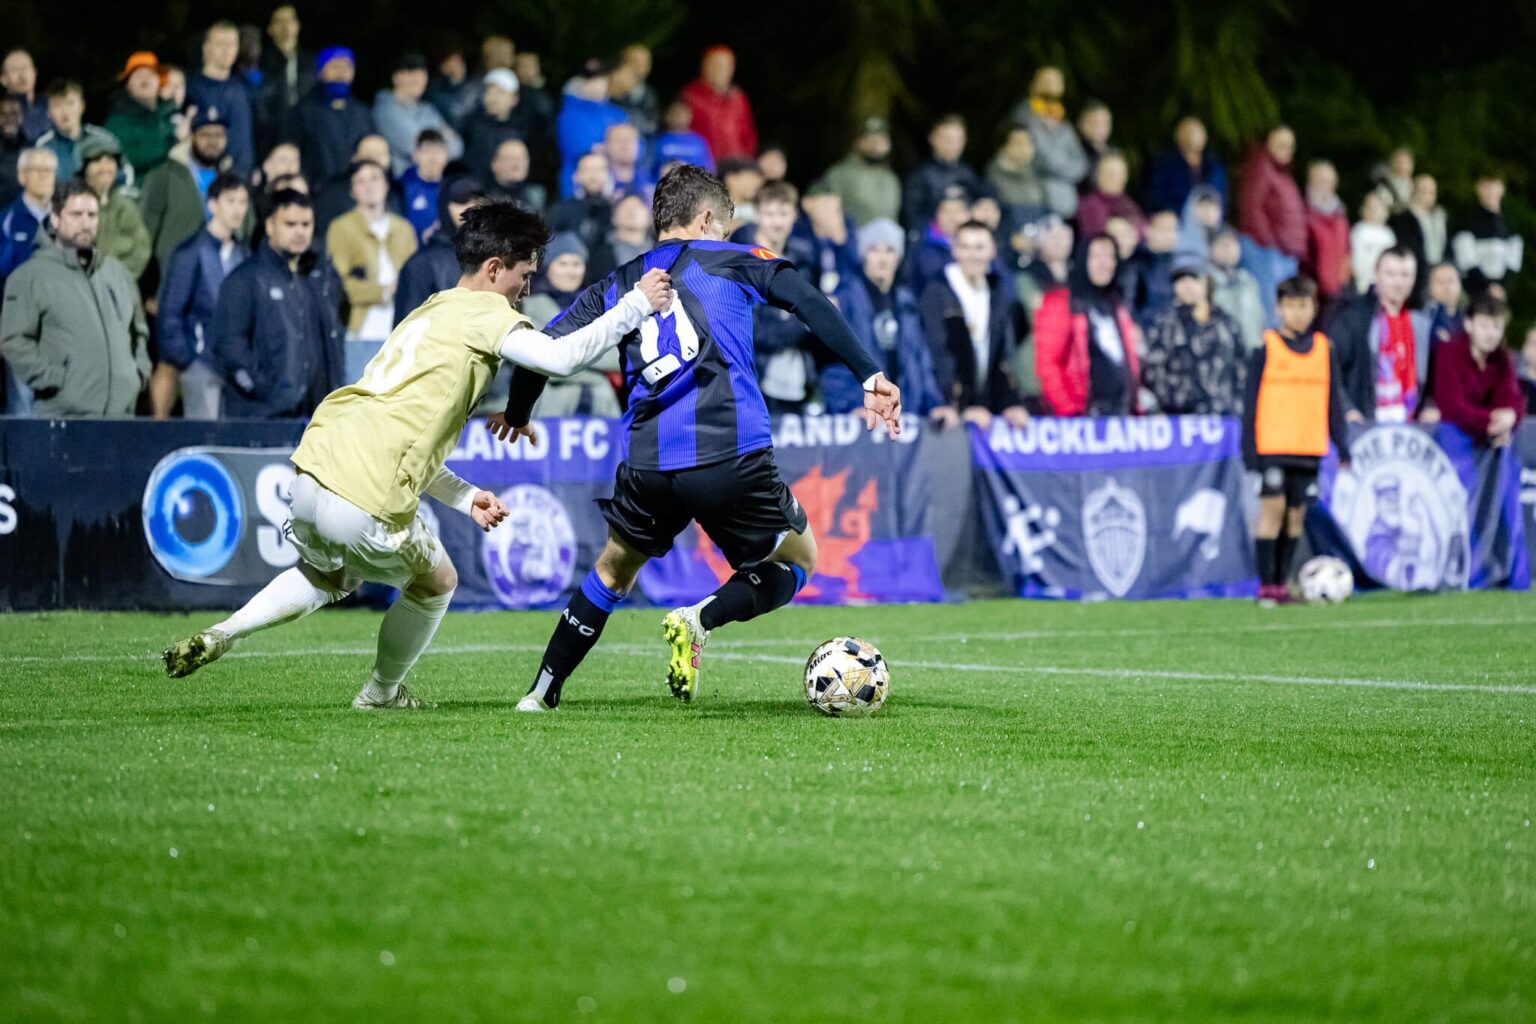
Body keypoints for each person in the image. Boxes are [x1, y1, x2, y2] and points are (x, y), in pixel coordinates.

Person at [163, 198, 677, 710]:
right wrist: (634, 304)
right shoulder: (485, 312)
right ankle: (381, 693)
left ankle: (224, 632)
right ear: (495, 269)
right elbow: (560, 358)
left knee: (327, 575)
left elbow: (403, 435)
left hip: (313, 471)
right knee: (438, 582)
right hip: (364, 493)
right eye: (524, 275)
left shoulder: (430, 309)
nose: (527, 289)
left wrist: (468, 495)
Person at [490, 164, 902, 712]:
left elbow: (540, 351)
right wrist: (869, 375)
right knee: (801, 558)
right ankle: (700, 618)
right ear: (707, 220)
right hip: (728, 454)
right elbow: (806, 301)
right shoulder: (731, 261)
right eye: (726, 227)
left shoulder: (619, 283)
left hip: (648, 467)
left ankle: (540, 694)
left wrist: (518, 412)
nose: (728, 236)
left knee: (613, 569)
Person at [1242, 274, 1350, 604]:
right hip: (1273, 445)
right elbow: (1250, 402)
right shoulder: (1266, 347)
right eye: (1290, 306)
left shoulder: (1322, 349)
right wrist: (1250, 449)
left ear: (1314, 308)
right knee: (1271, 511)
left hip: (1308, 447)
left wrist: (1341, 444)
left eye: (1303, 306)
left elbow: (1334, 401)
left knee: (1295, 516)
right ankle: (1267, 586)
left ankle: (1283, 581)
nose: (1297, 313)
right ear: (1278, 309)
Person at [0, 181, 150, 417]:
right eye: (76, 214)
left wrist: (137, 374)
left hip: (122, 417)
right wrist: (55, 380)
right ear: (56, 219)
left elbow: (138, 331)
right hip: (63, 417)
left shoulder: (116, 272)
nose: (86, 223)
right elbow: (13, 340)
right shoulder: (29, 276)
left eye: (92, 215)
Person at [210, 189, 344, 417]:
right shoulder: (245, 278)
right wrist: (264, 388)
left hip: (312, 415)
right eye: (290, 224)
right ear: (270, 225)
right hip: (262, 415)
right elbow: (229, 345)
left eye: (306, 224)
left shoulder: (317, 278)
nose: (300, 232)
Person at [820, 218, 941, 416]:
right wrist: (848, 408)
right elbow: (835, 363)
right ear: (864, 254)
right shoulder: (845, 300)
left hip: (905, 416)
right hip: (862, 416)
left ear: (898, 257)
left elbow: (921, 361)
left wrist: (933, 404)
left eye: (889, 250)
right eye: (874, 249)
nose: (882, 258)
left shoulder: (907, 302)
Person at [156, 173, 251, 419]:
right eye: (231, 201)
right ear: (212, 205)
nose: (238, 209)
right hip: (203, 365)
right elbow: (171, 311)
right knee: (204, 440)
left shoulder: (243, 253)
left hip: (234, 368)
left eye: (242, 202)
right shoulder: (190, 252)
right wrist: (188, 360)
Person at [919, 220, 1027, 430]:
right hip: (946, 414)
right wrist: (954, 405)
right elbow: (935, 355)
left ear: (992, 251)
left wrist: (1010, 403)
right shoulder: (936, 292)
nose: (973, 255)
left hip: (986, 413)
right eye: (965, 247)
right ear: (954, 250)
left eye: (979, 247)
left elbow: (1002, 357)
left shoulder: (998, 295)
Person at [1035, 232, 1141, 416]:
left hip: (1121, 415)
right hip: (1082, 418)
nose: (1104, 263)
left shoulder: (1117, 307)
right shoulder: (1061, 303)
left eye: (1110, 256)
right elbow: (1047, 364)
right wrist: (1069, 411)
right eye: (1096, 256)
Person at [1325, 245, 1430, 422]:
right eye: (1390, 274)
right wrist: (1346, 409)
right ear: (1376, 275)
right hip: (1365, 426)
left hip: (1408, 428)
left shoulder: (1421, 324)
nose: (1398, 283)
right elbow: (1329, 367)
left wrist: (1429, 406)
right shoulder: (1352, 317)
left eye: (1405, 275)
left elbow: (1432, 382)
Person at [522, 232, 622, 417]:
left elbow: (616, 357)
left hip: (601, 401)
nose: (570, 271)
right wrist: (595, 367)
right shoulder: (528, 306)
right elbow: (545, 361)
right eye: (563, 264)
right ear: (548, 267)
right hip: (549, 404)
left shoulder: (598, 304)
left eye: (576, 264)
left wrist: (568, 357)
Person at [1141, 260, 1248, 415]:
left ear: (1206, 282)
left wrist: (1239, 407)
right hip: (1177, 418)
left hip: (1222, 417)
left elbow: (1241, 367)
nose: (1188, 285)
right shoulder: (1163, 325)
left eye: (1194, 278)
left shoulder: (1226, 323)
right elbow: (1152, 371)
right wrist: (1161, 407)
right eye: (1180, 280)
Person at [327, 160, 418, 340]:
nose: (369, 186)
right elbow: (338, 284)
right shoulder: (341, 228)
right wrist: (383, 291)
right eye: (361, 181)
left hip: (402, 329)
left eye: (375, 179)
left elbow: (415, 279)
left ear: (386, 185)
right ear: (352, 190)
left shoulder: (403, 229)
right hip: (360, 330)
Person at [141, 107, 236, 275]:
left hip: (222, 273)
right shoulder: (165, 175)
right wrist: (149, 281)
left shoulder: (233, 179)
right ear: (192, 137)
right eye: (205, 135)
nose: (213, 141)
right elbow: (146, 230)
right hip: (173, 273)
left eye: (219, 135)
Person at [1432, 291, 1523, 445]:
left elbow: (1511, 397)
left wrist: (1512, 416)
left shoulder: (1502, 358)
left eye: (1497, 327)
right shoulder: (1449, 353)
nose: (1491, 334)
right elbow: (1452, 408)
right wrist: (1494, 420)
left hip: (1484, 445)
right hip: (1448, 444)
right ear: (1469, 324)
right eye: (1484, 326)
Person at [1238, 125, 1306, 325]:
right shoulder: (1261, 168)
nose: (1286, 150)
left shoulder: (1282, 174)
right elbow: (1251, 208)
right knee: (1270, 311)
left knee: (1284, 312)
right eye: (1281, 144)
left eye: (1289, 146)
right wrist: (1271, 242)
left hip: (1285, 253)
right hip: (1267, 252)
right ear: (1268, 145)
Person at [394, 177, 484, 322]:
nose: (471, 209)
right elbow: (407, 330)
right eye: (461, 201)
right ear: (444, 207)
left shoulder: (497, 258)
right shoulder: (421, 264)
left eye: (477, 202)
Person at [286, 47, 375, 190]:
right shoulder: (303, 111)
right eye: (334, 66)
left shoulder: (363, 112)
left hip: (356, 192)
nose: (341, 73)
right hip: (317, 193)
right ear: (321, 72)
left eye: (347, 67)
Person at [1013, 66, 1087, 219]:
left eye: (1056, 80)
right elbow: (1039, 156)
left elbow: (1080, 162)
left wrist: (1064, 168)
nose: (1052, 85)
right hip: (1037, 196)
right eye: (1047, 80)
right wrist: (1064, 166)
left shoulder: (1061, 120)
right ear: (1034, 84)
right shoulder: (1025, 114)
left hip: (1067, 202)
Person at [373, 51, 462, 177]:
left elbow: (458, 148)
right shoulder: (385, 109)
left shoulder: (428, 110)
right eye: (411, 72)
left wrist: (431, 144)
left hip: (432, 183)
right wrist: (443, 135)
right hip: (400, 184)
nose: (418, 77)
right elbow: (413, 145)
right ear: (396, 77)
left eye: (422, 73)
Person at [186, 21, 256, 174]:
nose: (227, 50)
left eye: (232, 44)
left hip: (241, 183)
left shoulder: (243, 88)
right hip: (206, 182)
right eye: (220, 43)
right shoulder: (189, 88)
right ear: (206, 48)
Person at [79, 135, 151, 281]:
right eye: (97, 161)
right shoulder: (73, 205)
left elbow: (141, 249)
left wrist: (118, 277)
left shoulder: (126, 206)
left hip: (121, 286)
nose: (104, 168)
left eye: (110, 161)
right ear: (85, 167)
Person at [555, 61, 626, 199]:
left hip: (613, 180)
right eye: (589, 79)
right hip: (576, 182)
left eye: (599, 78)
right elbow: (574, 148)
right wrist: (611, 149)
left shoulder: (617, 113)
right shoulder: (568, 112)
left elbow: (632, 145)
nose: (595, 83)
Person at [901, 114, 981, 233]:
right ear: (932, 138)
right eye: (948, 139)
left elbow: (981, 201)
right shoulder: (919, 175)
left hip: (965, 242)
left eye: (959, 139)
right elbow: (912, 218)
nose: (954, 145)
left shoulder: (967, 172)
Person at [103, 52, 178, 178]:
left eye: (150, 74)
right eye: (138, 75)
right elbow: (130, 158)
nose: (145, 79)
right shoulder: (117, 121)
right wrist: (174, 143)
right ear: (127, 85)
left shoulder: (172, 113)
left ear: (160, 81)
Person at [33, 79, 120, 184]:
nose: (65, 111)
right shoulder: (43, 146)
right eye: (57, 105)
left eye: (70, 103)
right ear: (48, 112)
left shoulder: (103, 139)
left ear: (82, 106)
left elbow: (124, 173)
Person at [680, 46, 757, 162]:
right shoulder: (690, 96)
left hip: (737, 165)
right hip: (704, 167)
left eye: (725, 66)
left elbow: (748, 135)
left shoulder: (738, 98)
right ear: (704, 67)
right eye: (714, 65)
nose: (720, 70)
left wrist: (747, 161)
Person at [1452, 172, 1523, 296]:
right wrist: (1488, 287)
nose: (1490, 191)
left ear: (1502, 188)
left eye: (1494, 185)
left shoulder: (1510, 222)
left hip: (1501, 293)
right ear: (1478, 188)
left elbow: (1514, 262)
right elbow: (1467, 261)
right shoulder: (1466, 220)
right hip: (1474, 292)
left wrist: (1500, 287)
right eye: (1486, 186)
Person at [462, 69, 534, 186]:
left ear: (514, 99)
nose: (493, 97)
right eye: (490, 91)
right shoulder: (470, 123)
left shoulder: (520, 129)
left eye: (500, 92)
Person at [256, 5, 313, 150]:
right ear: (270, 29)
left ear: (298, 25)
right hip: (271, 138)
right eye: (279, 21)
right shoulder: (260, 63)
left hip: (307, 136)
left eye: (290, 19)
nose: (286, 25)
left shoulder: (311, 62)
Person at [1147, 116, 1227, 214]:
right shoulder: (1166, 164)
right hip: (1175, 219)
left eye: (1196, 133)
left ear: (1205, 137)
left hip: (1207, 219)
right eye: (1188, 132)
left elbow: (1219, 195)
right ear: (1177, 136)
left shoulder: (1213, 165)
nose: (1192, 136)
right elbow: (1157, 196)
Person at [548, 151, 615, 268]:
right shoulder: (562, 210)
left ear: (609, 175)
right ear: (576, 176)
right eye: (587, 170)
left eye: (600, 169)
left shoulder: (618, 209)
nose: (594, 175)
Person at [0, 147, 57, 283]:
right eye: (36, 170)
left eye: (48, 170)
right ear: (22, 176)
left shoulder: (67, 218)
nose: (43, 176)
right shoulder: (5, 221)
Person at [1390, 174, 1447, 306]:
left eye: (1431, 192)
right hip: (1417, 277)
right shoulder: (1403, 218)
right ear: (1413, 191)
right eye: (1423, 190)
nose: (1427, 195)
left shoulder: (1439, 217)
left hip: (1437, 273)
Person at [906, 185, 972, 298]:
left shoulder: (978, 243)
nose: (953, 217)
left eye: (958, 211)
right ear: (937, 214)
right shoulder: (921, 244)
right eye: (947, 211)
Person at [1302, 160, 1351, 309]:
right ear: (1310, 183)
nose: (1325, 187)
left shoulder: (1341, 217)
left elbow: (1347, 252)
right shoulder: (1302, 214)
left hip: (1338, 292)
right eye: (1320, 181)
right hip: (1311, 292)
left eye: (1329, 182)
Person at [1209, 227, 1264, 351]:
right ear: (1211, 249)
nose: (1228, 249)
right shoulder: (1206, 283)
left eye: (1233, 244)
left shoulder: (1248, 281)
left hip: (1251, 351)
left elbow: (1258, 317)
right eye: (1223, 245)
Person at [1123, 209, 1178, 324]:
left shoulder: (1176, 264)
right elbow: (1128, 306)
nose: (1170, 235)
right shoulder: (1136, 263)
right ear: (1149, 230)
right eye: (1164, 229)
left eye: (1174, 229)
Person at [986, 126, 1048, 226]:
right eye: (1018, 144)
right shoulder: (993, 176)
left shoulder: (1035, 174)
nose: (1025, 149)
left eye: (1028, 143)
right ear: (1003, 147)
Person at [1075, 150, 1144, 240]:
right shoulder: (1088, 204)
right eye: (1111, 174)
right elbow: (1096, 237)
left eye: (1121, 174)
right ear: (1098, 176)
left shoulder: (1128, 203)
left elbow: (1144, 230)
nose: (1117, 179)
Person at [399, 129, 449, 243]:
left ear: (447, 156)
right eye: (427, 151)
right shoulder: (402, 186)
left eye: (438, 151)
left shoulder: (453, 188)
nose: (433, 158)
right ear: (416, 155)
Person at [1350, 192, 1395, 297]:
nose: (1374, 211)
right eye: (1371, 207)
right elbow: (1357, 261)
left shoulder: (1388, 234)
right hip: (1363, 286)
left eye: (1378, 207)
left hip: (1386, 287)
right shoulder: (1358, 231)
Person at [424, 44, 477, 134]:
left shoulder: (475, 87)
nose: (454, 64)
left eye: (457, 60)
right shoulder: (434, 88)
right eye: (449, 60)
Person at [652, 98, 713, 175]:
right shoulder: (659, 140)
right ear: (667, 116)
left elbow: (711, 170)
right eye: (675, 113)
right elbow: (649, 170)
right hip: (665, 182)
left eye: (683, 113)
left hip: (694, 183)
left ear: (690, 115)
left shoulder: (699, 141)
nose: (679, 117)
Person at [2, 49, 51, 141]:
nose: (22, 75)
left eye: (26, 68)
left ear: (35, 73)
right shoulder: (3, 109)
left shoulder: (50, 103)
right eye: (14, 70)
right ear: (3, 79)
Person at [485, 137, 545, 212]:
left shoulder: (536, 198)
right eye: (510, 158)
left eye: (523, 158)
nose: (517, 164)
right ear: (494, 164)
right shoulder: (482, 200)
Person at [611, 44, 659, 136]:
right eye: (635, 61)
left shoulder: (648, 93)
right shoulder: (609, 89)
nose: (641, 66)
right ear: (624, 63)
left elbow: (652, 124)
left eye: (646, 62)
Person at [603, 121, 651, 200]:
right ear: (606, 146)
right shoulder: (598, 183)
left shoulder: (650, 182)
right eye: (619, 140)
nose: (626, 145)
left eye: (631, 140)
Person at [1422, 262, 1464, 346]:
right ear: (1430, 288)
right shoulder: (1425, 320)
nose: (1447, 287)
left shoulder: (1466, 319)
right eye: (1440, 282)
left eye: (1451, 281)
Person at [1076, 100, 1114, 190]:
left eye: (1105, 123)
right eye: (1094, 123)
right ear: (1081, 124)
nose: (1100, 128)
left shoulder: (1113, 155)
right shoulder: (1075, 153)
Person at [1371, 147, 1414, 214]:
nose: (1402, 166)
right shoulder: (1385, 185)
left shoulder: (1416, 185)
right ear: (1392, 164)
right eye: (1399, 162)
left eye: (1405, 162)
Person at [0, 96, 23, 207]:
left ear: (21, 116)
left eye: (14, 114)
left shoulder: (33, 146)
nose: (9, 119)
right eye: (4, 114)